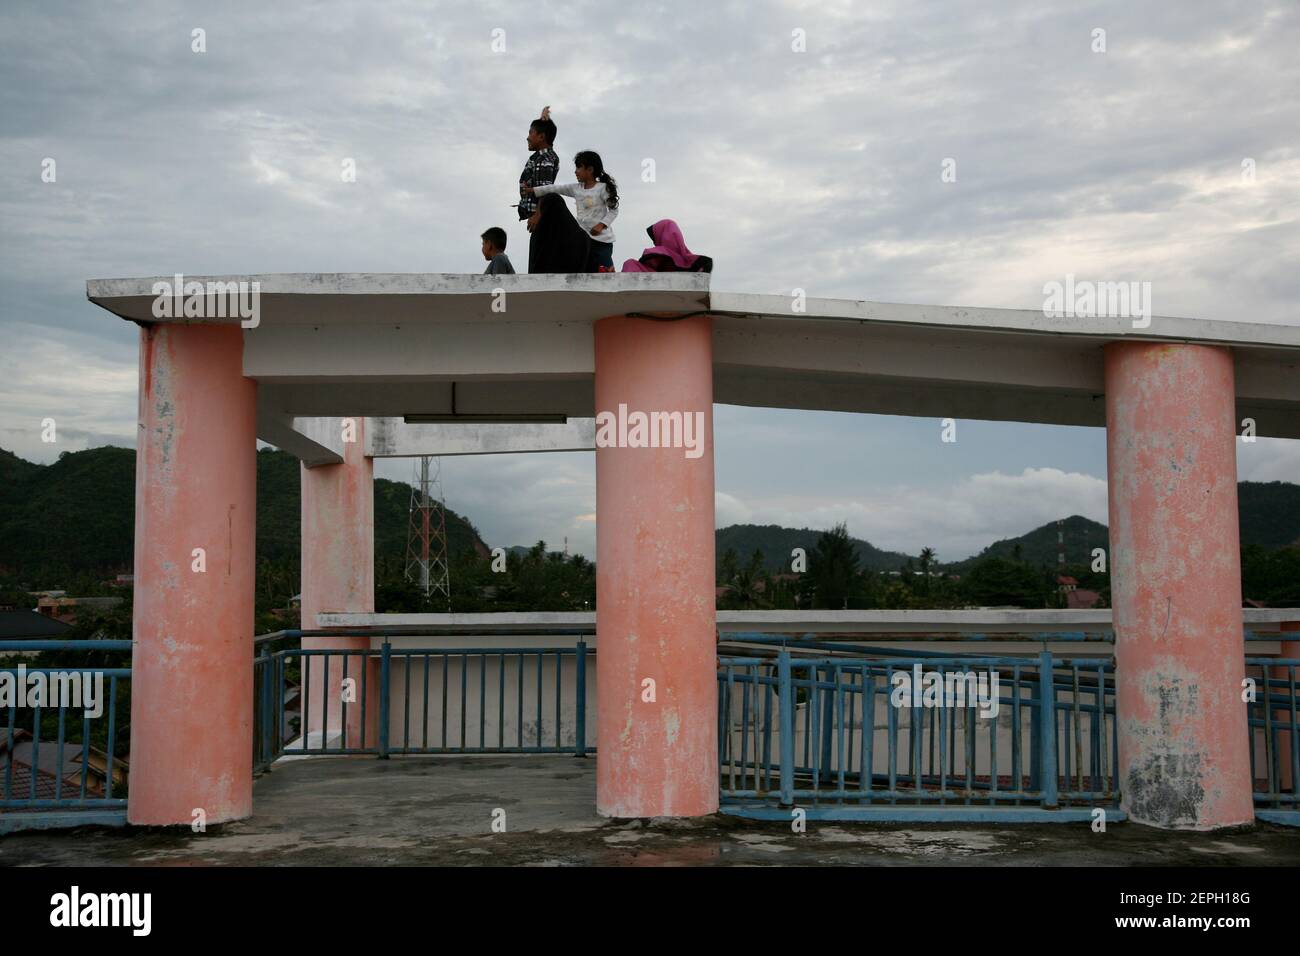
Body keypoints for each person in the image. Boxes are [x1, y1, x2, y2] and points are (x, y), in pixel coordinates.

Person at [526, 150, 619, 272]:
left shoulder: (603, 188)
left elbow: (614, 211)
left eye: (579, 167)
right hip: (584, 239)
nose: (576, 171)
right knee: (587, 270)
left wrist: (601, 225)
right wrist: (534, 190)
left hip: (601, 241)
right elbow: (555, 188)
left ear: (590, 170)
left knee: (606, 272)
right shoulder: (576, 188)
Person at [518, 106, 558, 232]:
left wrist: (538, 214)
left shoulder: (545, 158)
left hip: (541, 219)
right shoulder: (541, 156)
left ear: (541, 137)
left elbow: (544, 190)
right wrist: (543, 122)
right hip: (540, 218)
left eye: (531, 132)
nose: (528, 137)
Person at [621, 219, 713, 273]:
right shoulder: (692, 261)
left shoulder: (659, 254)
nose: (654, 242)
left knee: (629, 263)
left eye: (655, 238)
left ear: (663, 235)